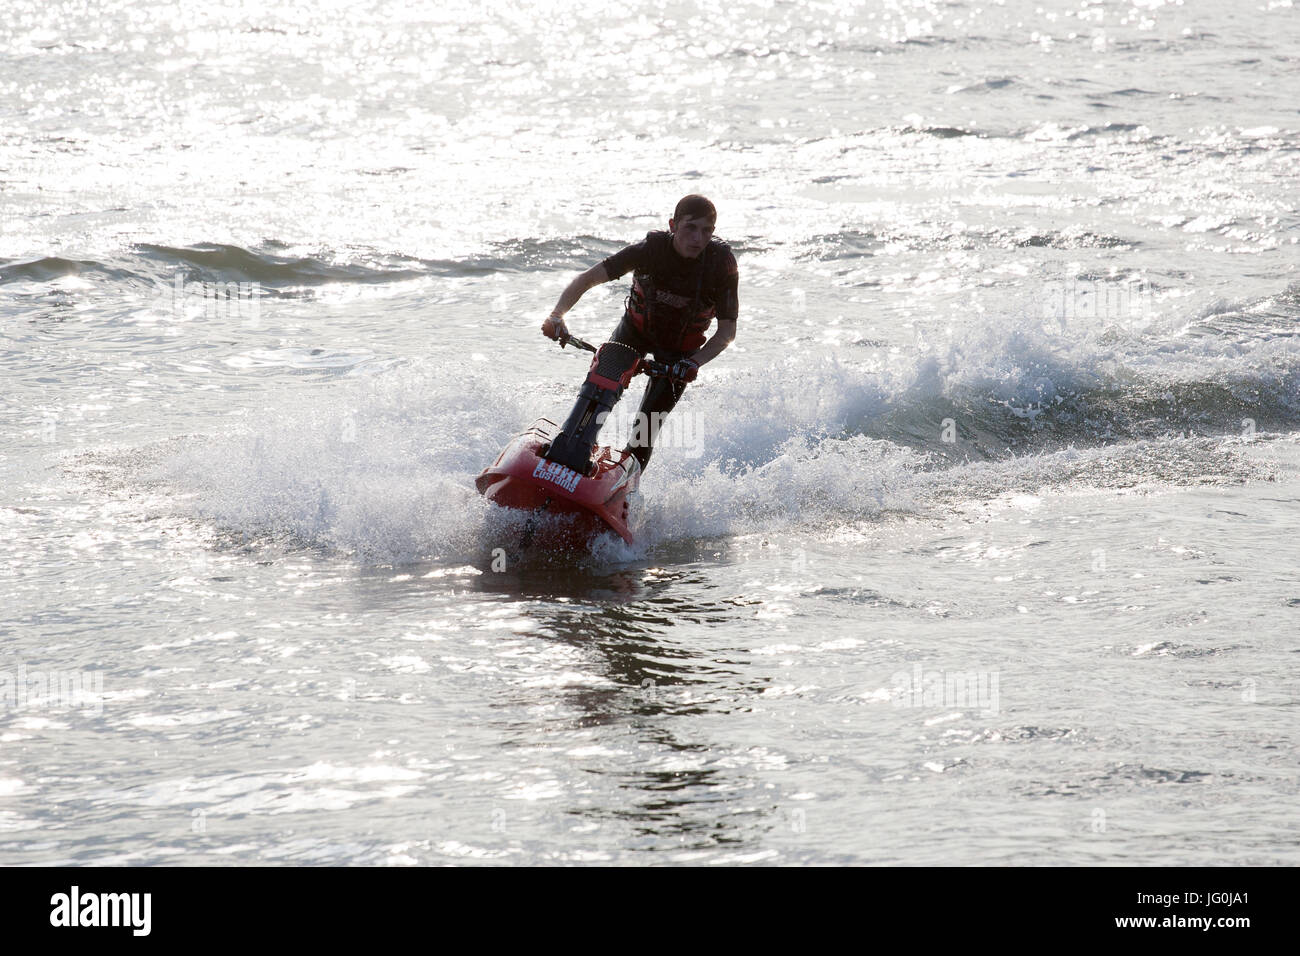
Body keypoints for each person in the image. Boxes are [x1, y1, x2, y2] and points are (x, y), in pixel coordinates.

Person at [539, 194, 738, 474]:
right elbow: (587, 279)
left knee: (647, 427)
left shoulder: (722, 265)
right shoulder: (649, 250)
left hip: (680, 352)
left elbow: (727, 332)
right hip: (635, 332)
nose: (698, 238)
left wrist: (693, 363)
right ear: (672, 225)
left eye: (706, 230)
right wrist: (557, 315)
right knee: (598, 391)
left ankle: (624, 488)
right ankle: (567, 451)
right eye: (690, 227)